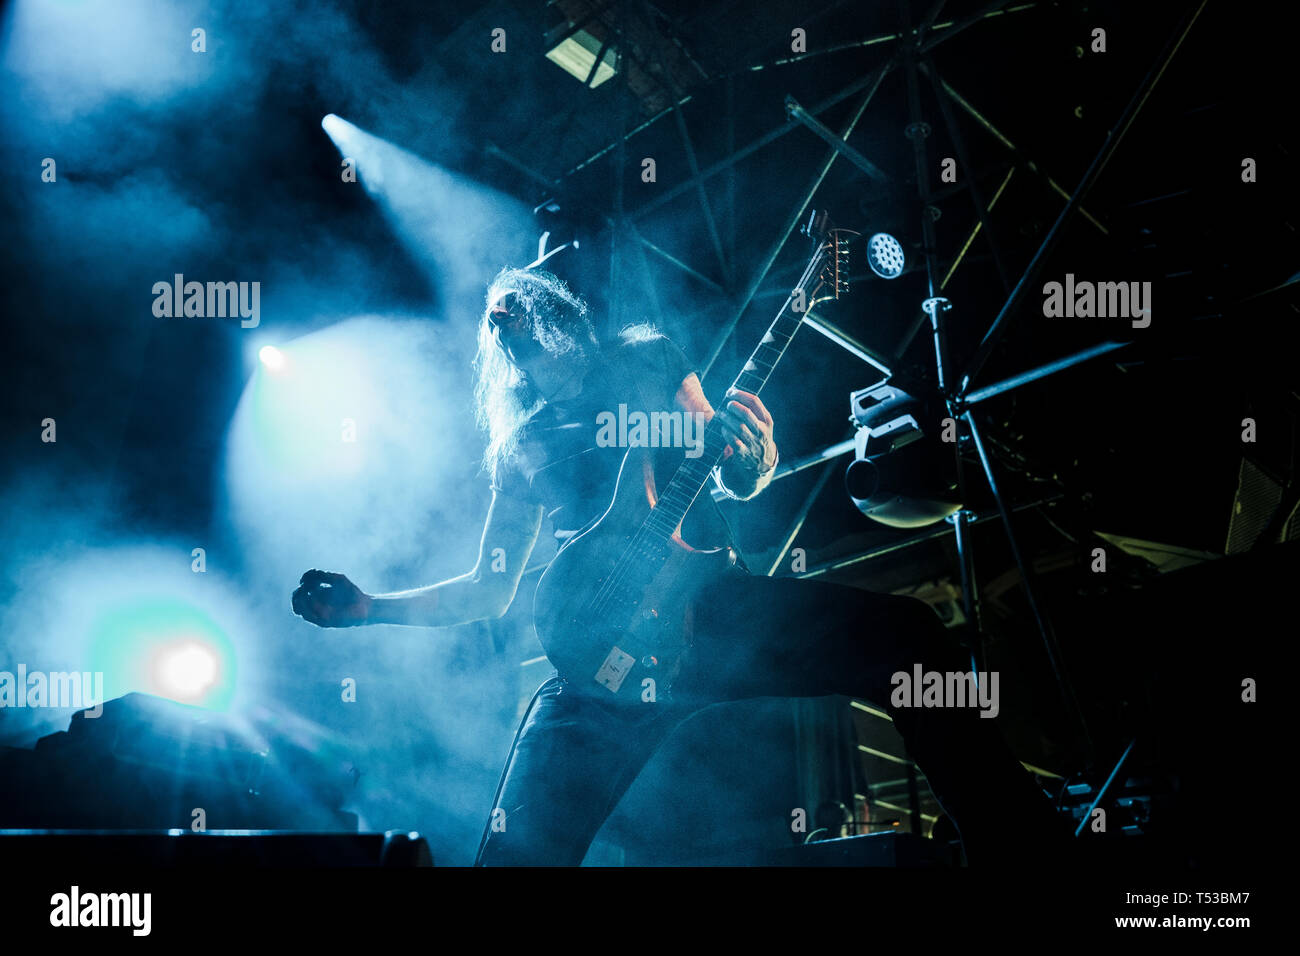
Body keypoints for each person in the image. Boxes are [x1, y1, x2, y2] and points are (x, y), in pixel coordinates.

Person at [292, 266, 1063, 866]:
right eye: (496, 322)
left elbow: (727, 469)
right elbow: (490, 590)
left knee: (909, 637)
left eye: (519, 307)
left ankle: (1026, 851)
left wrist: (755, 454)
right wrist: (369, 608)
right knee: (519, 852)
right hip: (597, 666)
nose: (505, 324)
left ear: (558, 312)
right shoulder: (520, 443)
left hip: (708, 611)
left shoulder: (647, 356)